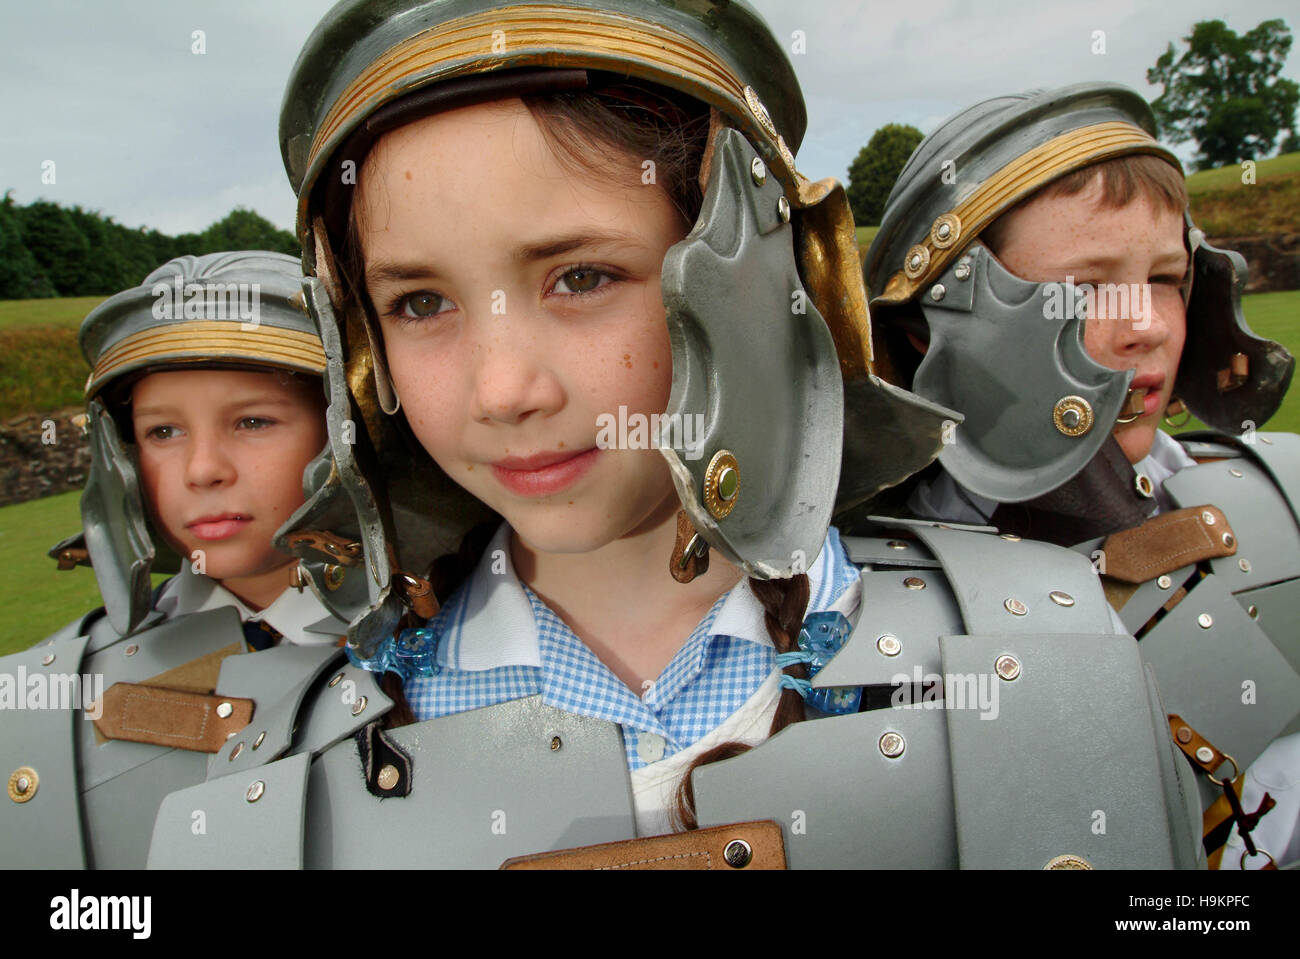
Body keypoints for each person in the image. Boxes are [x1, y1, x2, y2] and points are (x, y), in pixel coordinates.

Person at [148, 2, 1201, 870]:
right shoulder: (272, 757)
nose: (502, 388)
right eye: (421, 302)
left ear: (750, 280)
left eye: (583, 276)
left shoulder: (1048, 643)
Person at [863, 82, 1300, 869]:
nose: (1149, 325)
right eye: (1086, 288)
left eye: (1166, 278)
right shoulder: (853, 597)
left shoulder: (1276, 504)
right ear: (931, 329)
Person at [0, 250, 353, 869]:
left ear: (341, 429)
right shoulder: (36, 697)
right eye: (163, 432)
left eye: (252, 420)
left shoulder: (469, 649)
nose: (203, 469)